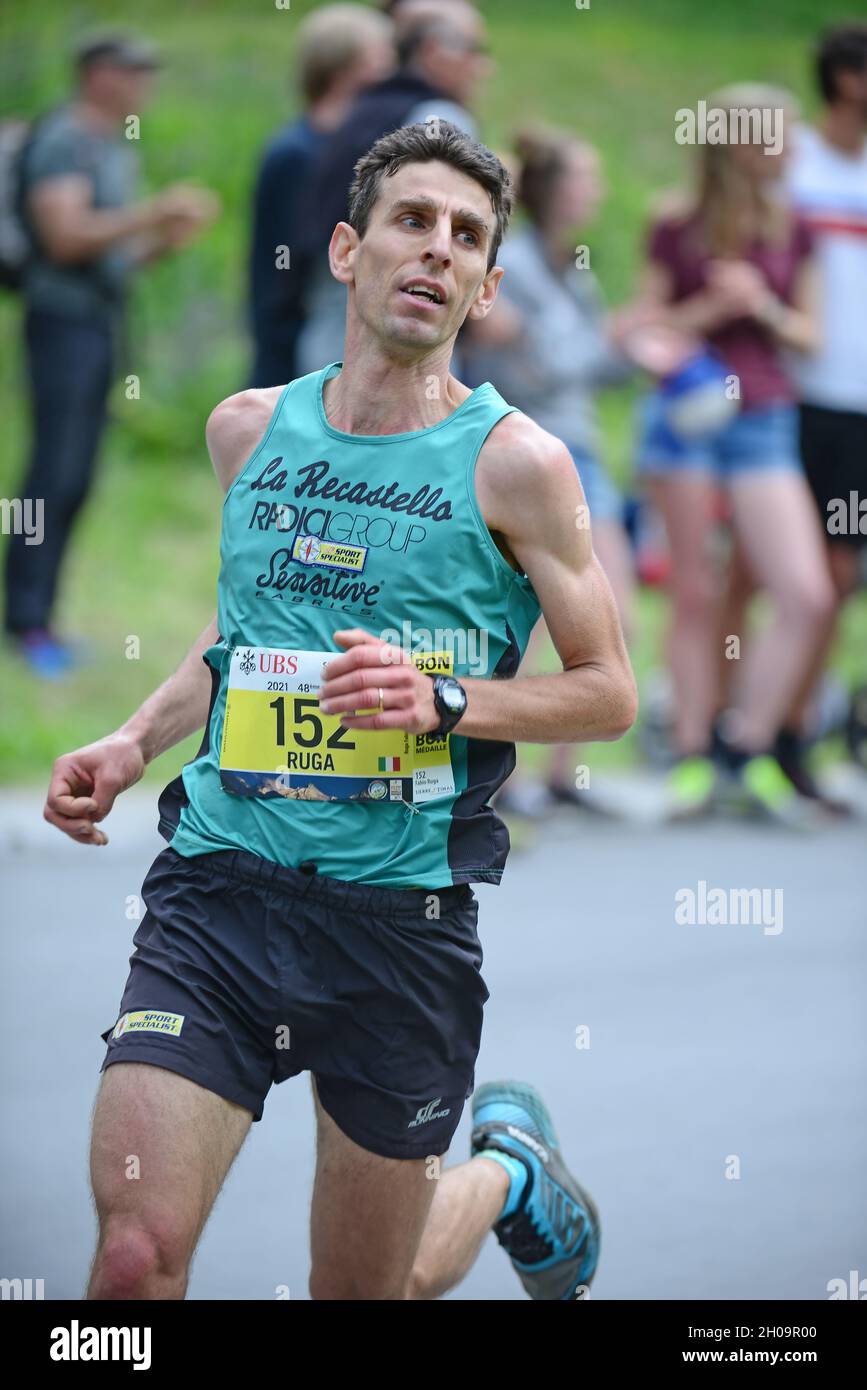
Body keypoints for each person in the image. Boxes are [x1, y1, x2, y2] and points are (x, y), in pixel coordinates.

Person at [44, 121, 636, 1301]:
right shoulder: (248, 429)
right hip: (218, 893)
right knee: (130, 1260)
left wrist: (446, 697)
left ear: (486, 285)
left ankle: (507, 1176)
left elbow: (610, 688)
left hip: (398, 924)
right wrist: (132, 739)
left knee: (368, 1290)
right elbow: (242, 635)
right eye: (413, 222)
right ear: (346, 250)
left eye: (468, 238)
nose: (438, 251)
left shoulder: (519, 464)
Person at [632, 84, 835, 820]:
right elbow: (644, 327)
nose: (792, 148)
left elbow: (811, 335)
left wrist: (763, 306)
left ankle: (747, 749)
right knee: (693, 589)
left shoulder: (795, 227)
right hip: (684, 417)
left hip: (763, 418)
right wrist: (708, 310)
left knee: (804, 593)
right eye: (781, 135)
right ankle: (692, 758)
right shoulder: (674, 223)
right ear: (744, 144)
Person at [3, 32, 218, 679]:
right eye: (133, 70)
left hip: (97, 324)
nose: (143, 82)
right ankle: (25, 620)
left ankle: (42, 618)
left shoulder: (107, 143)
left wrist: (163, 241)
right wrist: (155, 211)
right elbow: (63, 237)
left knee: (76, 475)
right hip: (59, 325)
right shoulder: (67, 137)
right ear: (97, 74)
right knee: (50, 474)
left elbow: (109, 261)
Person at [462, 125, 635, 816]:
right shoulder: (519, 268)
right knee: (532, 625)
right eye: (585, 178)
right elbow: (539, 366)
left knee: (608, 615)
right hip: (531, 454)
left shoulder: (574, 267)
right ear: (556, 191)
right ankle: (503, 781)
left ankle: (561, 778)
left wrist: (627, 346)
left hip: (583, 449)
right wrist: (606, 342)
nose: (595, 191)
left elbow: (598, 369)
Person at [724, 25, 867, 809]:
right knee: (750, 573)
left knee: (836, 577)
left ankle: (789, 738)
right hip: (788, 396)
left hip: (859, 406)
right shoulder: (794, 163)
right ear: (848, 79)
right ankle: (723, 738)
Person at [294, 0, 491, 378]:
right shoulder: (441, 118)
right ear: (436, 50)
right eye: (475, 50)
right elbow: (447, 238)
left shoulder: (359, 110)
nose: (484, 66)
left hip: (329, 343)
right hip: (402, 343)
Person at [248, 4, 394, 389]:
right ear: (345, 68)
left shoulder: (346, 147)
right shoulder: (297, 153)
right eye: (381, 59)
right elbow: (284, 271)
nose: (392, 73)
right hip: (293, 356)